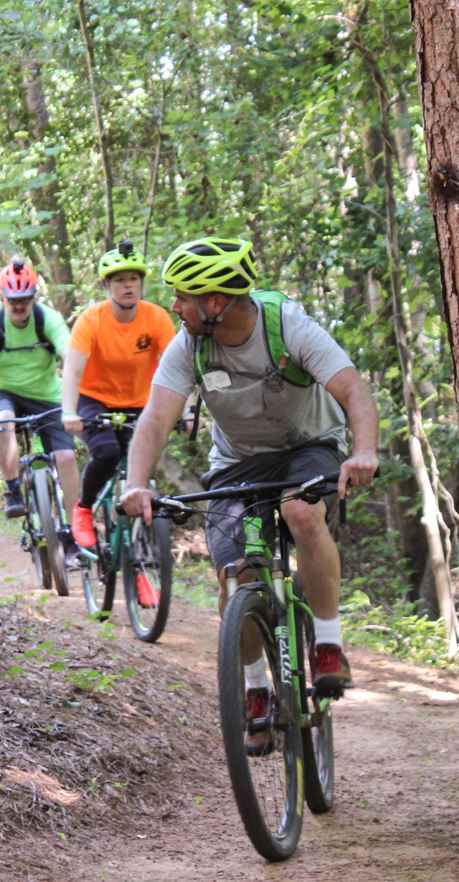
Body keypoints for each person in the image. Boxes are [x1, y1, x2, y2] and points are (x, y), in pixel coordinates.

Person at [119, 236, 379, 731]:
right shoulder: (189, 346)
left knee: (300, 510)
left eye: (183, 297)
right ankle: (256, 686)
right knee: (238, 574)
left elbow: (353, 389)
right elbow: (156, 418)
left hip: (309, 446)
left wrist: (363, 451)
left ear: (215, 303)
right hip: (238, 463)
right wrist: (136, 483)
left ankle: (327, 644)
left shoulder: (287, 326)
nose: (174, 307)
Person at [60, 240, 178, 588]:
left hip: (141, 403)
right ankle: (83, 509)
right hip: (94, 400)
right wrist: (69, 411)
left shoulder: (156, 317)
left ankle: (139, 567)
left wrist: (186, 411)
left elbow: (178, 368)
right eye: (119, 280)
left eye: (133, 279)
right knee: (108, 453)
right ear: (107, 286)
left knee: (139, 476)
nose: (128, 286)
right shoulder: (91, 320)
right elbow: (72, 371)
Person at [0, 257, 81, 541]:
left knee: (66, 457)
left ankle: (74, 532)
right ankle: (13, 487)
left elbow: (71, 358)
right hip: (3, 391)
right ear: (2, 297)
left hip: (47, 395)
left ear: (33, 297)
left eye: (25, 299)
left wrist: (79, 404)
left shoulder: (48, 320)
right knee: (2, 420)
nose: (19, 306)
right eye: (13, 300)